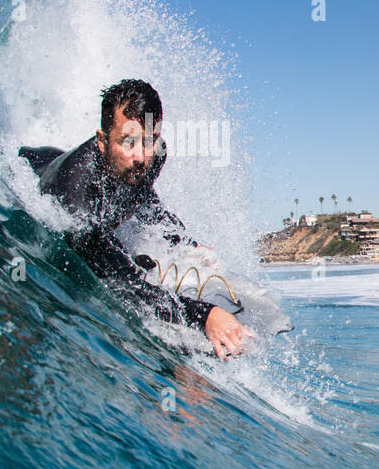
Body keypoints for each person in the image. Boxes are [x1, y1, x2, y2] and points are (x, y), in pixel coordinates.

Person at [21, 79, 252, 360]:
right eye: (128, 143)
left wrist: (183, 241)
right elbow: (124, 282)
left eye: (149, 141)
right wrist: (203, 316)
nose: (141, 157)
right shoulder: (76, 197)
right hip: (33, 164)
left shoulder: (154, 155)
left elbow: (142, 197)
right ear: (102, 141)